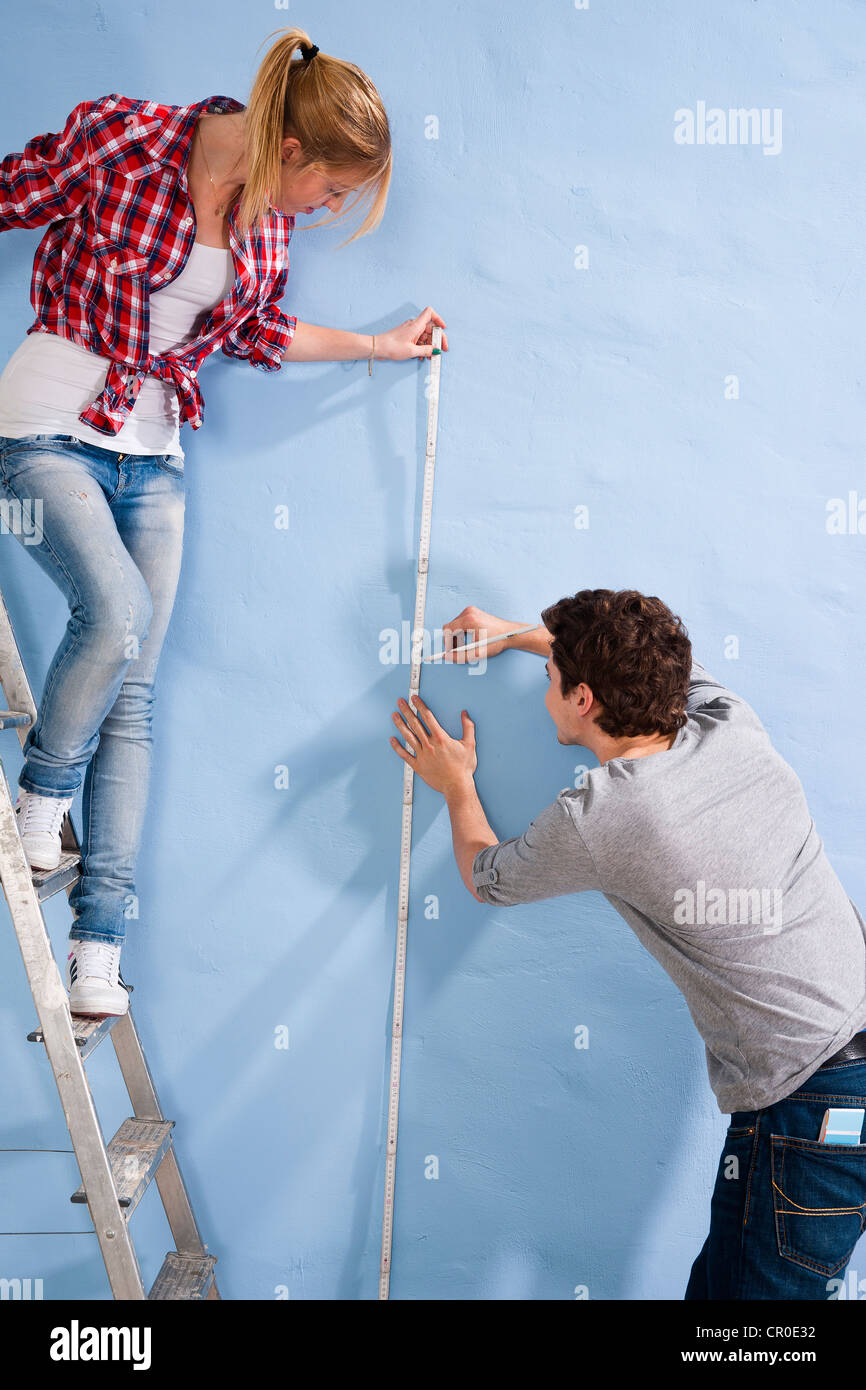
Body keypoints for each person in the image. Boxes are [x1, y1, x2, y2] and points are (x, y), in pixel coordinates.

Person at [0, 26, 448, 1018]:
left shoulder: (268, 227)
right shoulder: (124, 138)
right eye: (329, 189)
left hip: (155, 456)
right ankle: (39, 799)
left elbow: (256, 335)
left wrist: (380, 344)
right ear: (291, 149)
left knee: (135, 699)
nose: (325, 209)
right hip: (43, 431)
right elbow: (12, 195)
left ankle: (95, 951)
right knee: (113, 616)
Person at [388, 590, 866, 1299]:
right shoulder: (728, 722)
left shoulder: (609, 813)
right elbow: (651, 663)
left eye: (554, 680)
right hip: (826, 1079)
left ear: (582, 698)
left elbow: (489, 878)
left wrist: (456, 783)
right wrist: (517, 635)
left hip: (807, 1102)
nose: (544, 691)